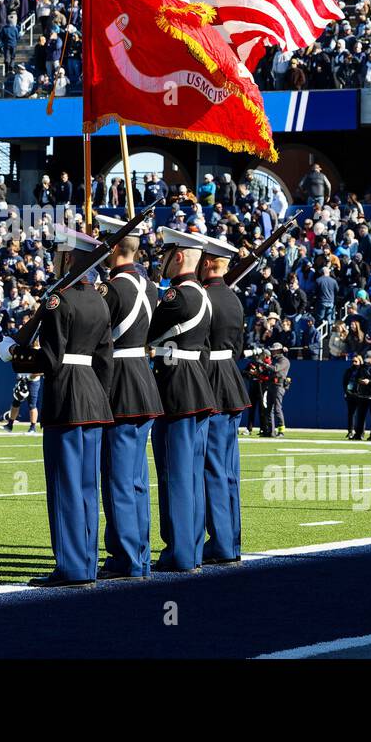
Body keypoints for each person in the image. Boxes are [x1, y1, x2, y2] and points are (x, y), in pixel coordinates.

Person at [0, 224, 114, 588]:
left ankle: (71, 567)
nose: (53, 260)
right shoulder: (99, 298)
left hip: (65, 396)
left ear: (69, 257)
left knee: (65, 485)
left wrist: (16, 356)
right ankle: (88, 562)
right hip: (94, 397)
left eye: (57, 254)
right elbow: (105, 359)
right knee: (86, 486)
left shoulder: (58, 300)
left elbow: (50, 359)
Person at [93, 213, 162, 580]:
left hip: (119, 382)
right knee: (135, 479)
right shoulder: (148, 285)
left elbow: (97, 337)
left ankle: (124, 557)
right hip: (143, 382)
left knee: (118, 478)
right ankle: (140, 550)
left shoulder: (111, 289)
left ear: (114, 246)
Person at [146, 228, 216, 574]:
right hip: (195, 388)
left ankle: (179, 552)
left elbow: (145, 330)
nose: (161, 262)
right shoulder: (201, 294)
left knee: (175, 474)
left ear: (177, 256)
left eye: (164, 255)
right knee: (189, 474)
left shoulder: (177, 296)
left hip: (176, 389)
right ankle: (190, 549)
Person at [198, 233, 248, 567]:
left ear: (208, 263)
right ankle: (230, 538)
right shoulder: (233, 298)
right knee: (228, 469)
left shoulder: (204, 298)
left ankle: (221, 544)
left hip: (212, 380)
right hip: (231, 378)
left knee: (214, 468)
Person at [343, 353, 365, 437]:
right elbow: (345, 382)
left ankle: (360, 432)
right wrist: (346, 392)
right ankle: (350, 431)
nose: (354, 363)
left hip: (360, 394)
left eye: (356, 361)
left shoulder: (363, 370)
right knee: (351, 414)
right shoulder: (349, 370)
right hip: (350, 394)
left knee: (361, 415)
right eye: (353, 361)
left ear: (360, 361)